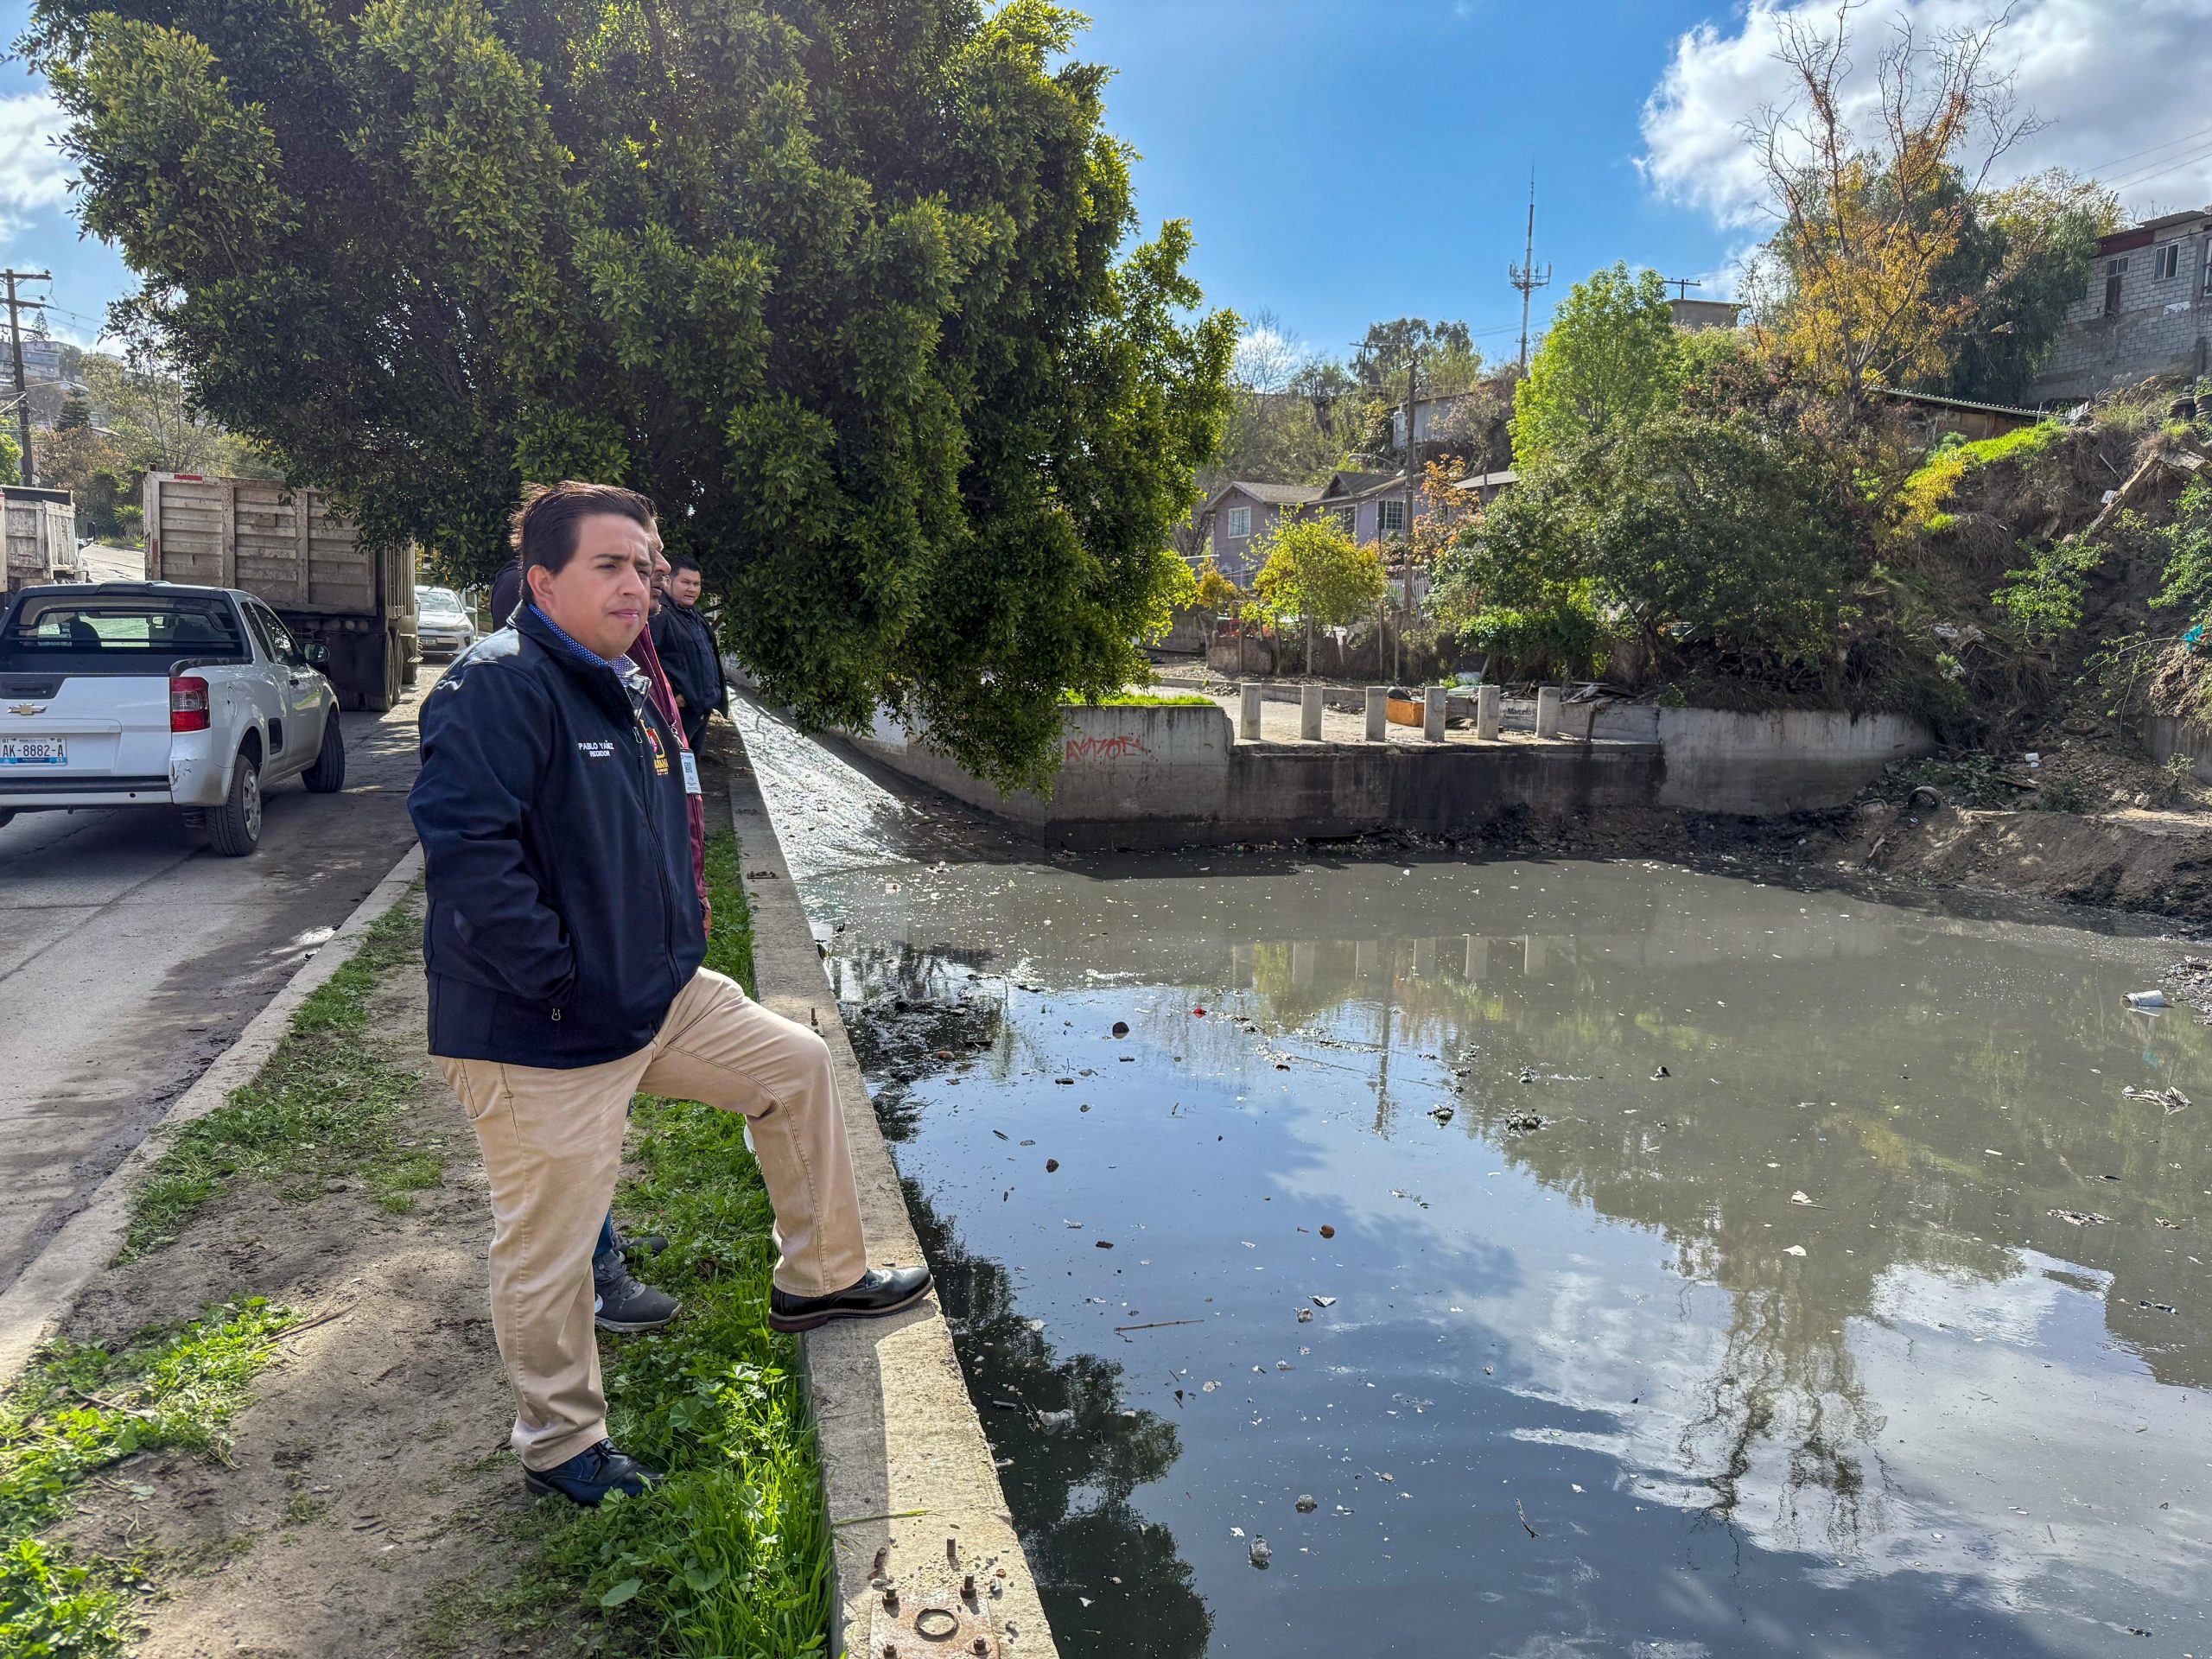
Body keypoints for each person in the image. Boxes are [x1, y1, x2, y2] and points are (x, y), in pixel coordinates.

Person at [410, 480, 930, 1508]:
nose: (636, 585)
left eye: (644, 567)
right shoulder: (496, 688)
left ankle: (817, 1278)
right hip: (538, 1030)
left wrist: (669, 953)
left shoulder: (629, 683)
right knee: (550, 1243)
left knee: (797, 1065)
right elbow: (472, 863)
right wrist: (562, 984)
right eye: (610, 565)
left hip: (650, 998)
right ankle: (561, 1446)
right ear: (544, 577)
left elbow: (655, 843)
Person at [648, 554, 728, 755]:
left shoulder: (694, 614)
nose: (692, 589)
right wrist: (672, 695)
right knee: (674, 770)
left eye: (696, 583)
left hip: (700, 710)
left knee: (690, 772)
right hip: (677, 711)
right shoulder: (660, 614)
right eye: (685, 582)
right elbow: (647, 658)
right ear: (668, 581)